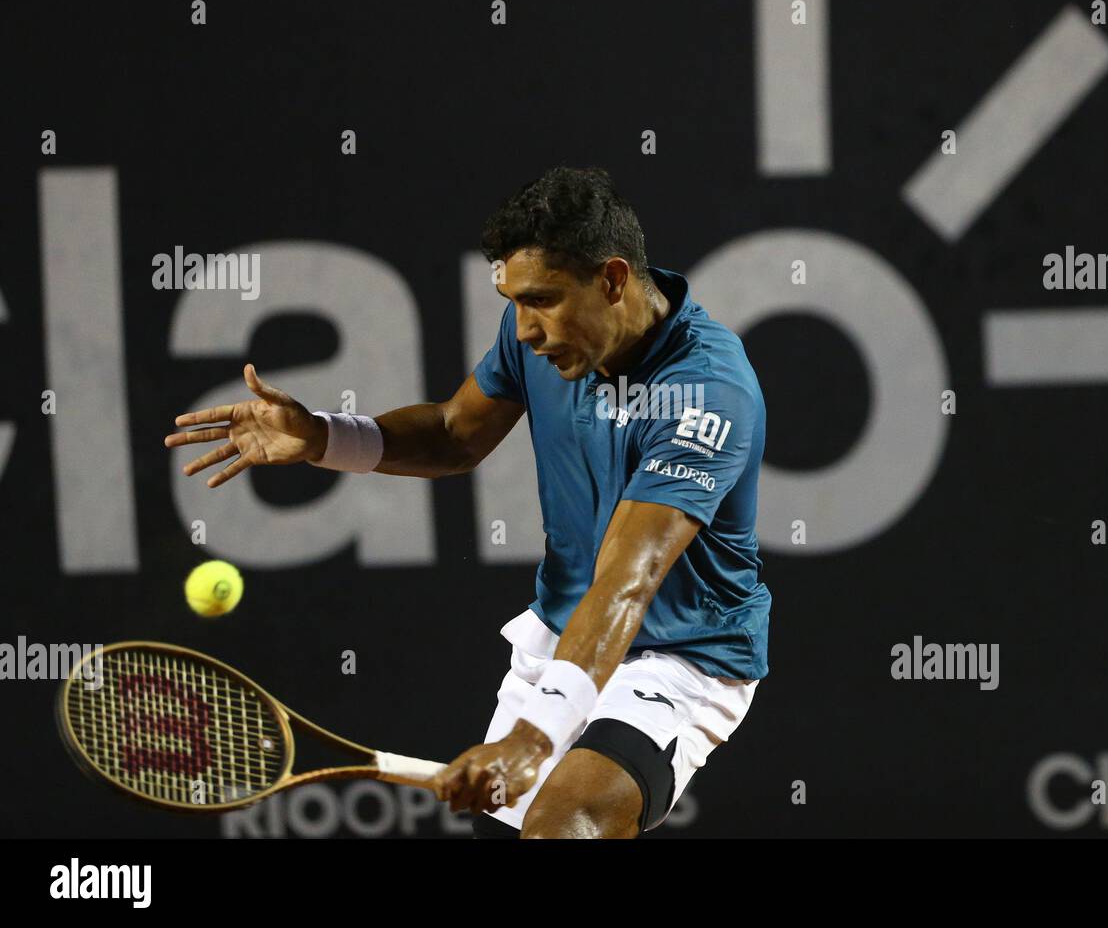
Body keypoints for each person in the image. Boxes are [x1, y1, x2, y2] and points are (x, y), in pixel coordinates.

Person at [165, 167, 771, 838]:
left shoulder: (708, 389)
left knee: (564, 824)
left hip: (682, 655)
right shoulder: (541, 340)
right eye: (513, 301)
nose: (524, 330)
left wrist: (534, 740)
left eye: (540, 300)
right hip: (564, 636)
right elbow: (455, 435)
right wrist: (322, 437)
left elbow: (630, 580)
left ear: (613, 280)